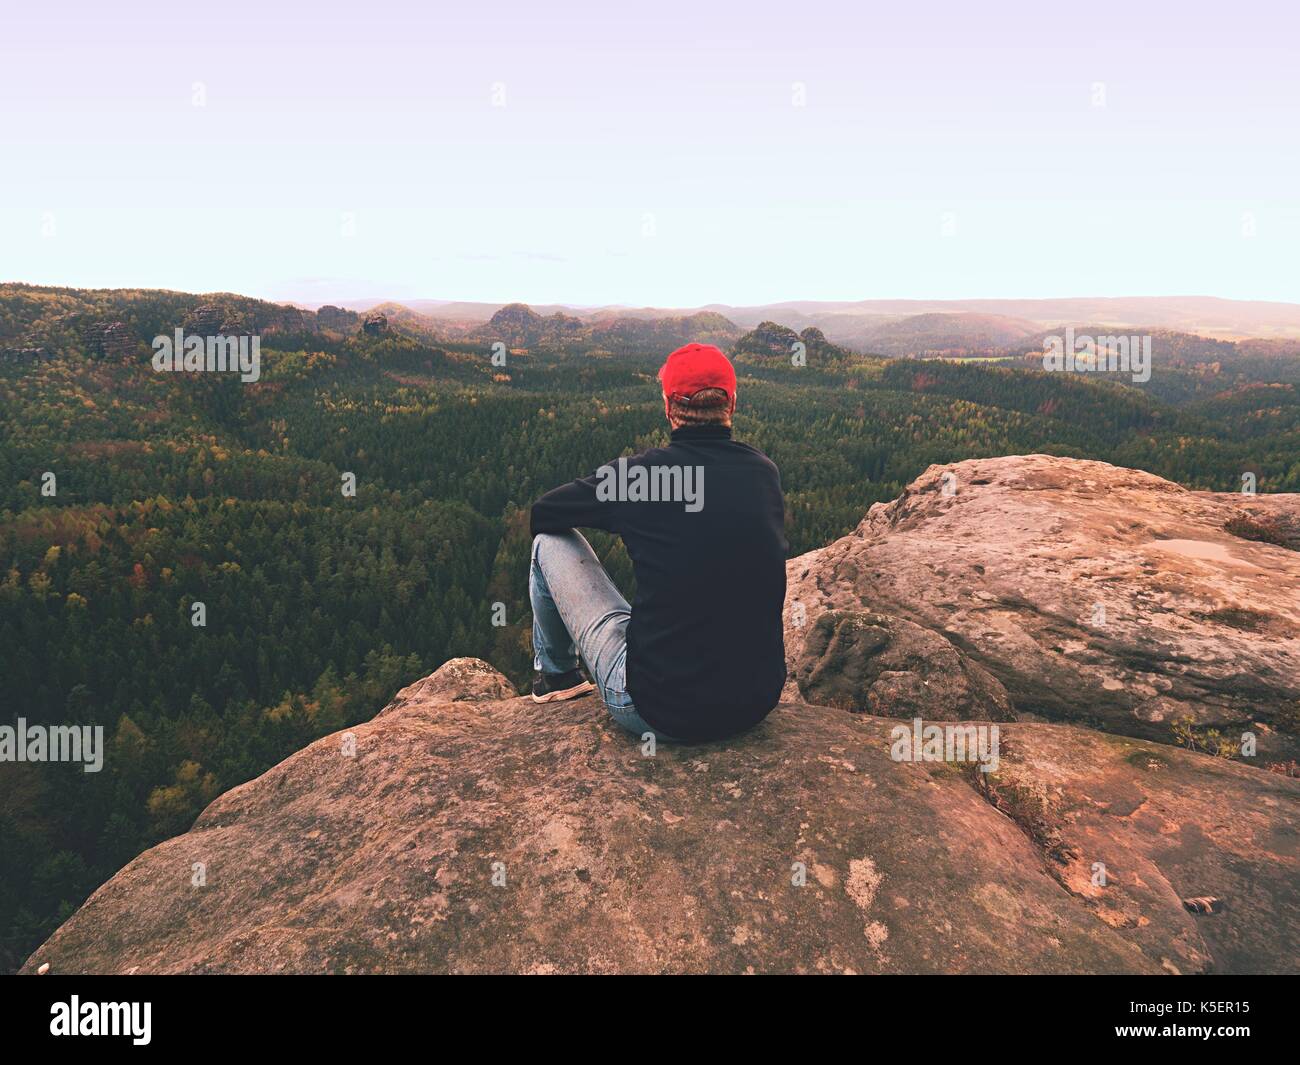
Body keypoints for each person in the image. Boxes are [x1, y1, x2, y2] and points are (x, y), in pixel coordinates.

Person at [528, 342, 787, 742]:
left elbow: (543, 514)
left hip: (659, 710)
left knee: (548, 543)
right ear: (732, 403)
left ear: (668, 407)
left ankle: (559, 675)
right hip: (754, 702)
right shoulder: (764, 473)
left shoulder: (642, 478)